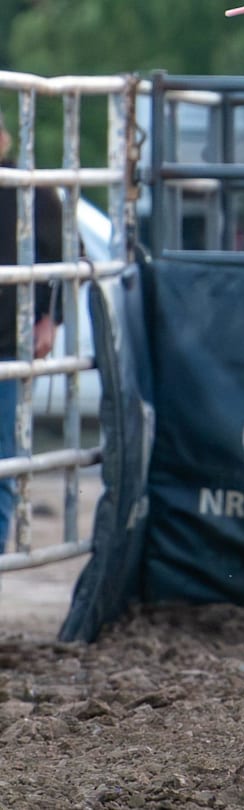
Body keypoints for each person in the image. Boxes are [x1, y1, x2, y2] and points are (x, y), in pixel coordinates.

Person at [0, 107, 61, 549]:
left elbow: (66, 257)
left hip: (8, 345)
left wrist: (49, 318)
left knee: (4, 461)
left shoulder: (33, 188)